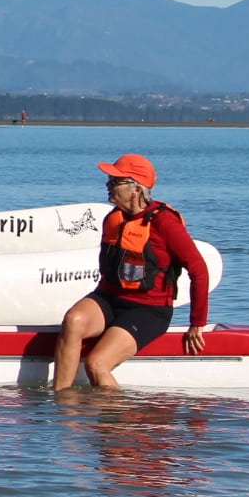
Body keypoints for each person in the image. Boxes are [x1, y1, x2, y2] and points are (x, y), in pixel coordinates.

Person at [53, 153, 211, 391]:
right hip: (109, 298)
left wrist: (196, 323)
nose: (107, 185)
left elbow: (199, 270)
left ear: (136, 189)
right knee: (73, 320)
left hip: (148, 310)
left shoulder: (164, 223)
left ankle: (119, 421)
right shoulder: (113, 219)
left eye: (115, 181)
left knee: (96, 364)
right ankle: (62, 405)